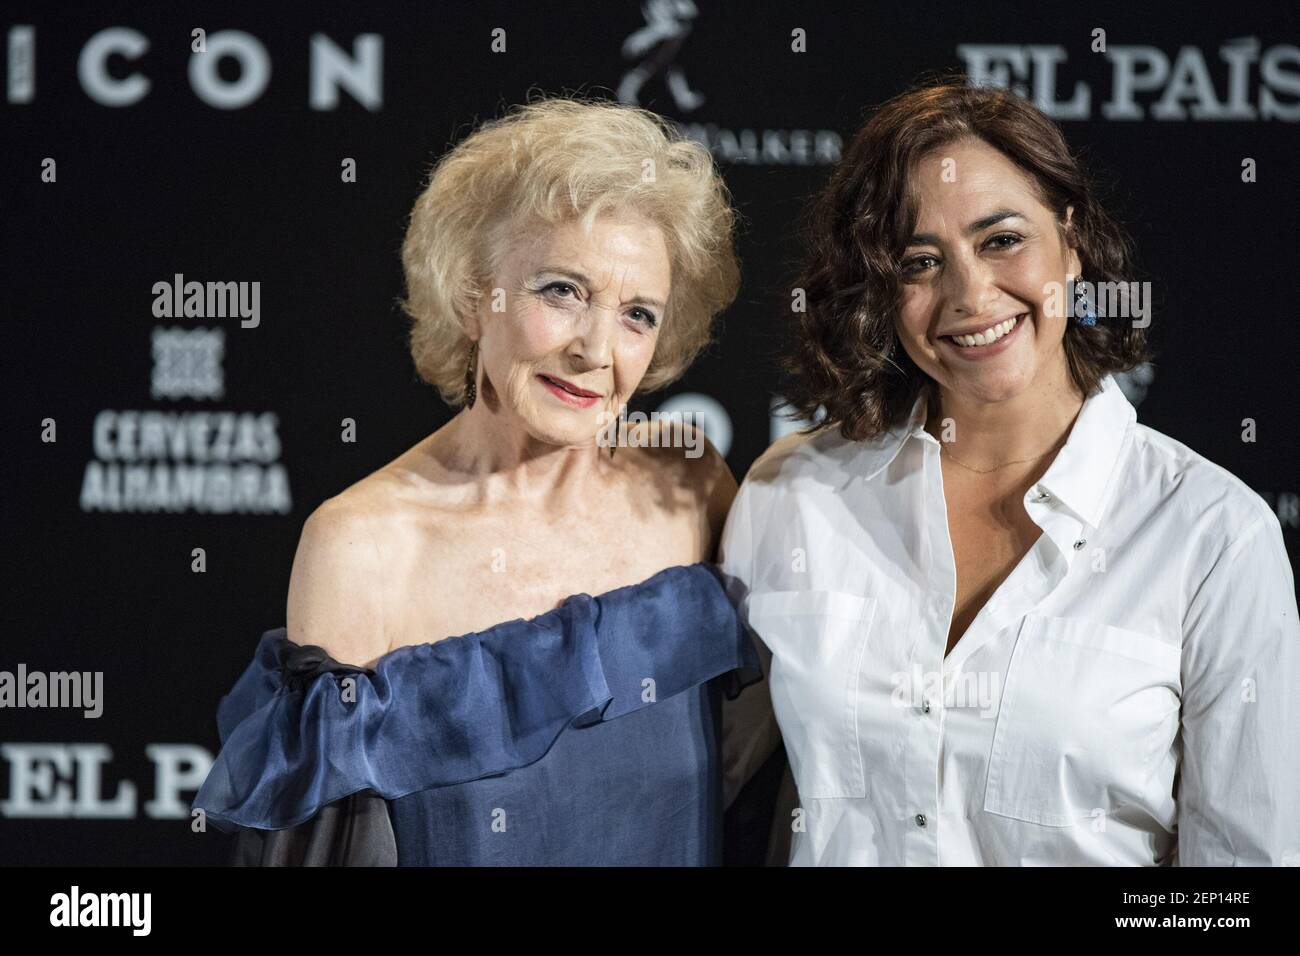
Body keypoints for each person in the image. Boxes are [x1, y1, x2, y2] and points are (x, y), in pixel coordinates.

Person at [719, 78, 1300, 866]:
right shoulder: (792, 495)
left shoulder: (1215, 537)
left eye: (1002, 240)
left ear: (1073, 239)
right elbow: (708, 792)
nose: (970, 293)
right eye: (919, 261)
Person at [192, 95, 761, 865]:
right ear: (470, 296)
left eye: (638, 314)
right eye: (562, 291)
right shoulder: (363, 547)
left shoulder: (687, 482)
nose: (597, 349)